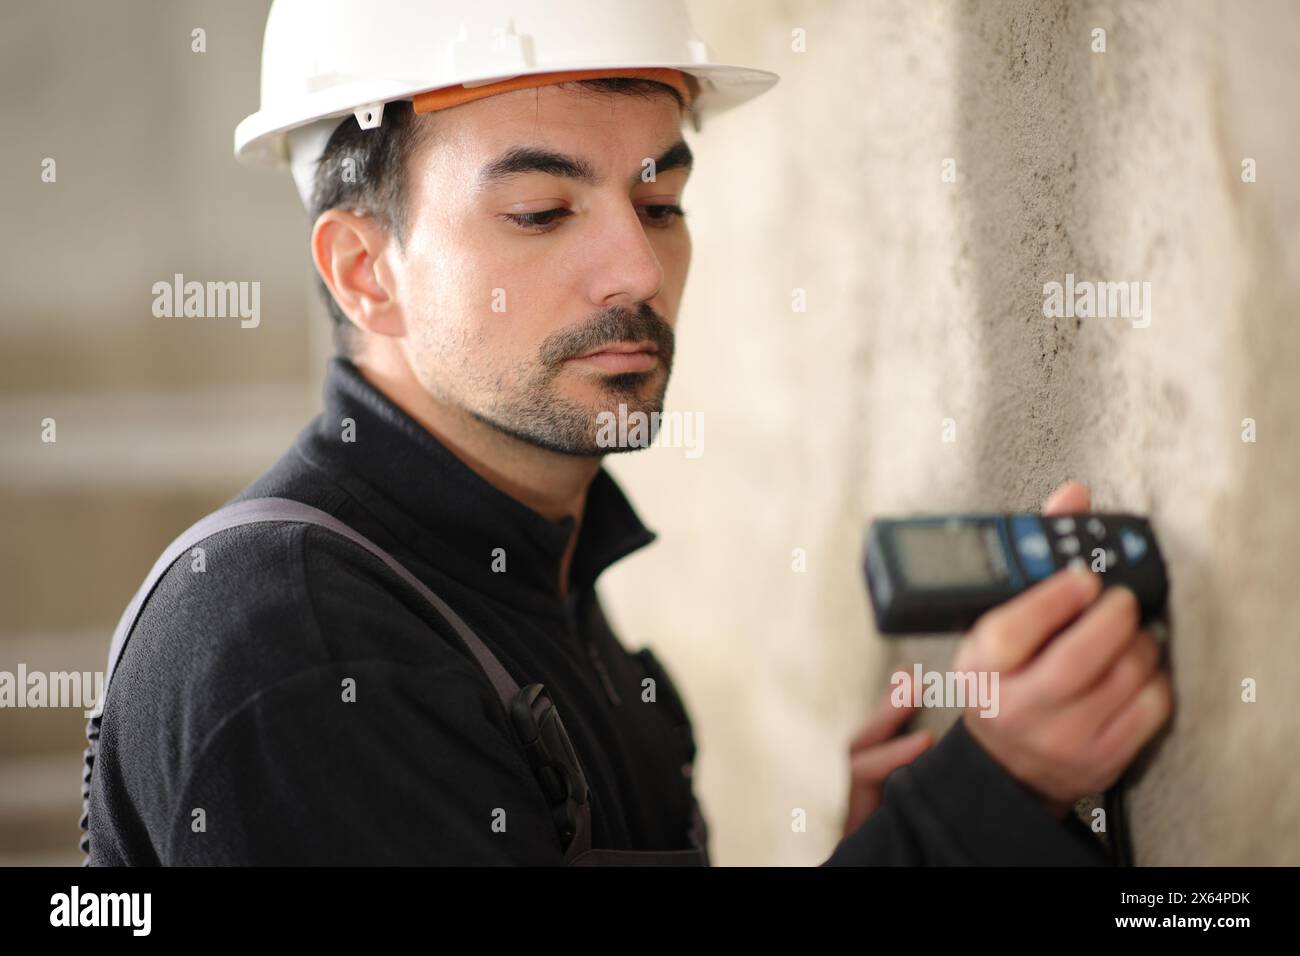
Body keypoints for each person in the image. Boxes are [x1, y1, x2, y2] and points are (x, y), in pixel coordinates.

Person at [84, 0, 1171, 865]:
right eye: (542, 213)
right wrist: (976, 812)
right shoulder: (305, 654)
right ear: (368, 272)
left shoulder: (522, 572)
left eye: (659, 204)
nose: (638, 272)